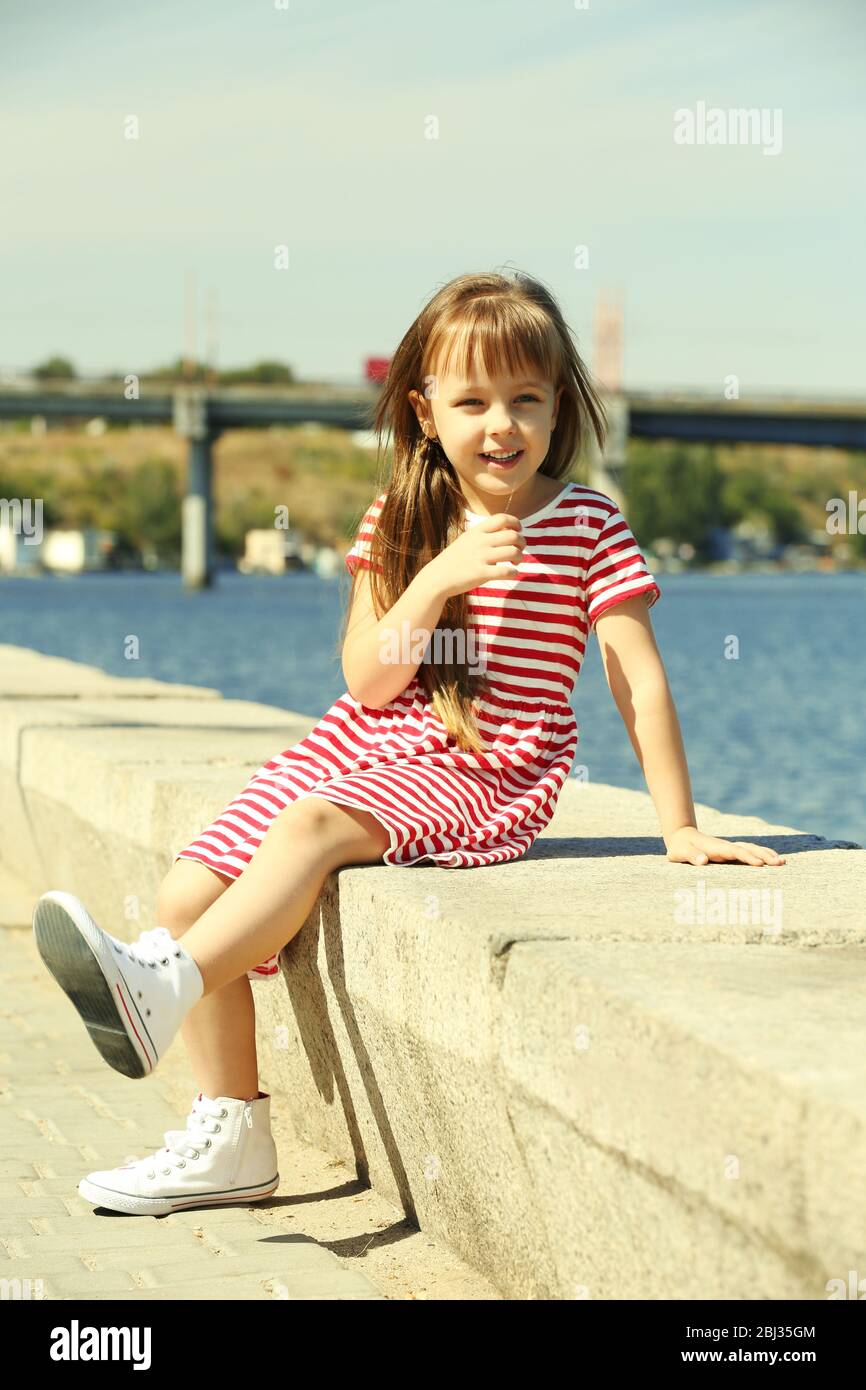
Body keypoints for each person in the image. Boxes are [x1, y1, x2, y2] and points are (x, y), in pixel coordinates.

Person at [31, 268, 785, 1216]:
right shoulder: (404, 514)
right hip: (369, 735)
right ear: (427, 412)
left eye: (526, 400)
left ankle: (160, 989)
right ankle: (232, 1134)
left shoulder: (586, 523)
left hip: (490, 766)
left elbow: (636, 677)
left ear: (561, 407)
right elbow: (367, 678)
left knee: (310, 831)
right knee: (187, 888)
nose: (501, 424)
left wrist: (678, 825)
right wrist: (438, 579)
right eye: (472, 402)